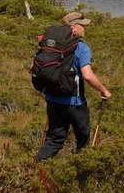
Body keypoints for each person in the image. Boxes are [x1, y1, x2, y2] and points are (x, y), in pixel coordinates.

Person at [37, 11, 112, 161]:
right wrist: (104, 91)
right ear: (74, 27)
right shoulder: (81, 48)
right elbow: (88, 76)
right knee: (83, 139)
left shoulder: (50, 44)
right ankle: (80, 172)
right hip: (75, 104)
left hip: (52, 100)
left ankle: (34, 170)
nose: (85, 28)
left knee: (54, 140)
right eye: (83, 26)